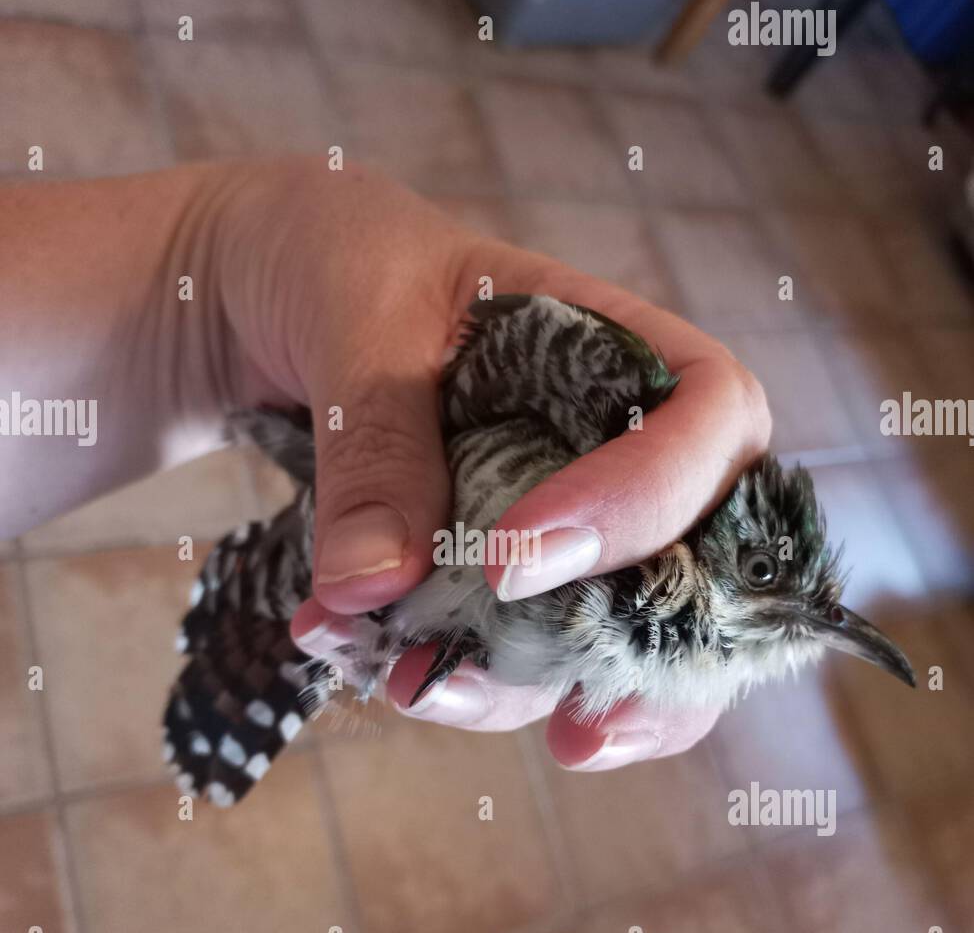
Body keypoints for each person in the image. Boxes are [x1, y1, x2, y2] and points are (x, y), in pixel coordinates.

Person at [0, 157, 770, 770]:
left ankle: (314, 618)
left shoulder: (670, 649)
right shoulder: (611, 436)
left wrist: (215, 262)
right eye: (767, 576)